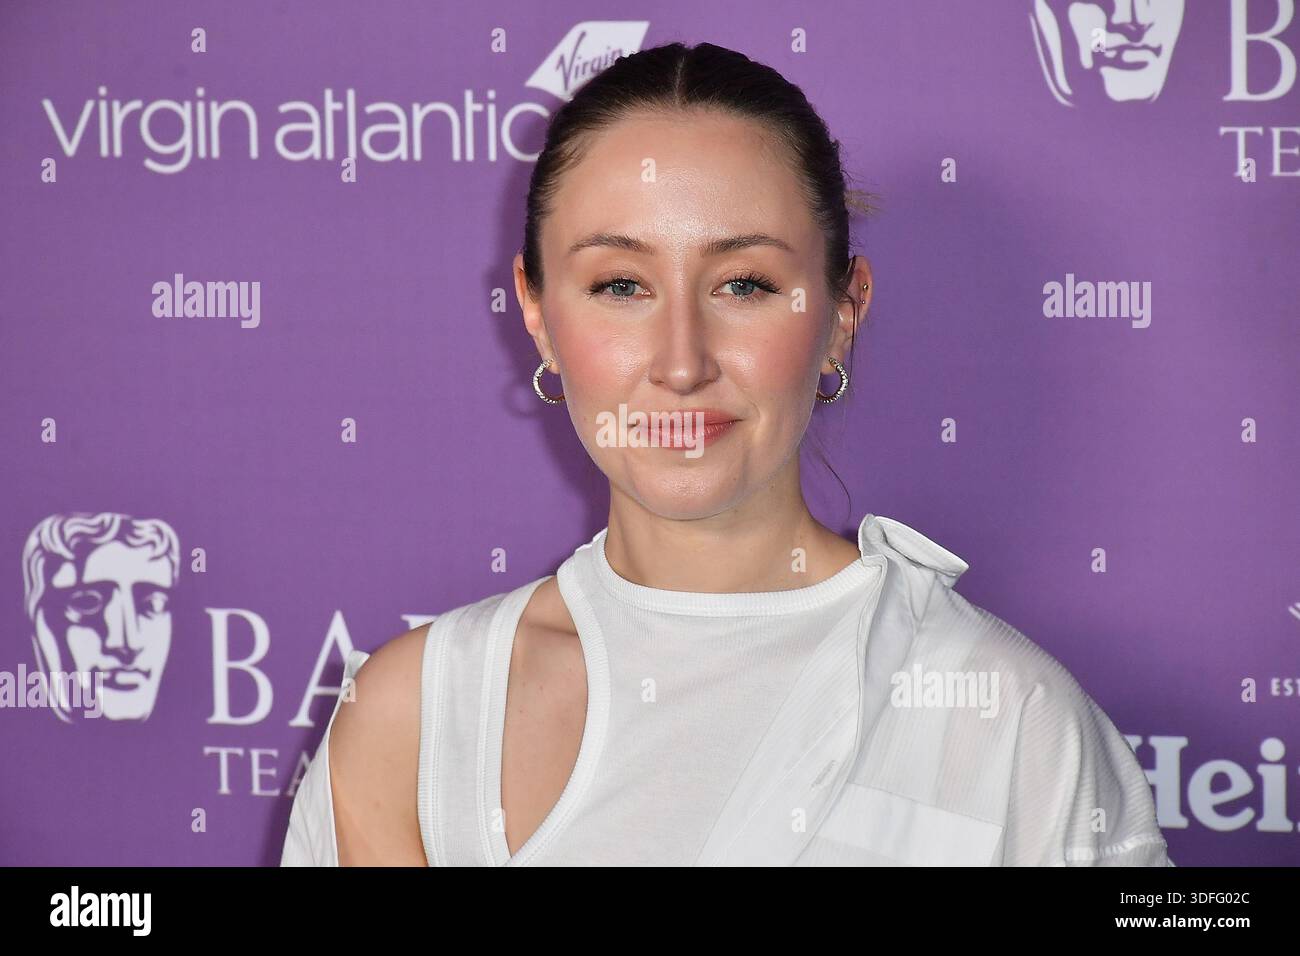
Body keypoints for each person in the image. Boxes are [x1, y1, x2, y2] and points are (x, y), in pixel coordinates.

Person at [280, 41, 1172, 867]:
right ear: (539, 313)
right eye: (620, 285)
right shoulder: (414, 716)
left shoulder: (1010, 719)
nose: (681, 361)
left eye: (744, 284)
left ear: (841, 313)